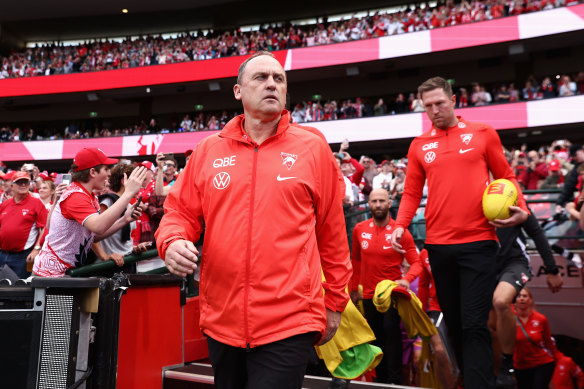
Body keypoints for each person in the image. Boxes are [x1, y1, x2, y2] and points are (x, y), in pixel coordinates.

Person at [155, 51, 352, 389]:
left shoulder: (313, 148)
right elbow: (180, 213)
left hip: (290, 318)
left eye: (279, 79)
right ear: (238, 91)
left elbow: (332, 232)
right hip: (222, 318)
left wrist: (335, 301)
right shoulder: (207, 150)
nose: (272, 84)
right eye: (261, 78)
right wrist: (171, 241)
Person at [390, 76, 529, 389]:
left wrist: (522, 208)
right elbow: (411, 192)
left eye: (440, 103)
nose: (435, 110)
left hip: (479, 243)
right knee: (453, 324)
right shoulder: (418, 145)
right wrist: (400, 225)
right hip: (438, 247)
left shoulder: (483, 134)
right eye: (428, 106)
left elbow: (505, 176)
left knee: (474, 324)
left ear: (453, 100)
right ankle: (472, 378)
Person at [33, 148, 147, 277]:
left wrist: (124, 219)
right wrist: (128, 193)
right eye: (106, 169)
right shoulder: (75, 195)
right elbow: (98, 227)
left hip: (62, 274)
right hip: (49, 276)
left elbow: (91, 237)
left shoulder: (89, 195)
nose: (109, 174)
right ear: (93, 172)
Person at [349, 188, 422, 384]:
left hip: (390, 295)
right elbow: (355, 260)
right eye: (374, 201)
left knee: (392, 334)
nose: (378, 205)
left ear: (390, 204)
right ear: (369, 204)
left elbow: (417, 262)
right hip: (368, 296)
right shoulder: (359, 229)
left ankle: (395, 382)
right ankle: (380, 382)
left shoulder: (401, 233)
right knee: (374, 338)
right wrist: (354, 288)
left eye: (382, 201)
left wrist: (407, 279)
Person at [491, 209, 563, 389]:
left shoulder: (513, 197)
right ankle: (498, 373)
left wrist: (552, 268)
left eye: (525, 297)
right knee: (487, 328)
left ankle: (507, 364)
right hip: (484, 266)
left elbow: (536, 232)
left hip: (514, 263)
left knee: (500, 301)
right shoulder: (470, 196)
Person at [0, 171, 48, 278]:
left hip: (23, 256)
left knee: (20, 289)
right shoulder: (4, 204)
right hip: (2, 254)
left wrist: (36, 249)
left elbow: (44, 227)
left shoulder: (36, 203)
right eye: (19, 182)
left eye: (26, 182)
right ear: (12, 186)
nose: (23, 185)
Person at [513, 287, 557, 389]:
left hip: (542, 363)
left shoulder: (541, 319)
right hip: (521, 365)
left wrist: (558, 358)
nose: (522, 298)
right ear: (514, 301)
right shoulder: (510, 319)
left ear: (530, 300)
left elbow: (548, 342)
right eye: (519, 296)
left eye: (525, 296)